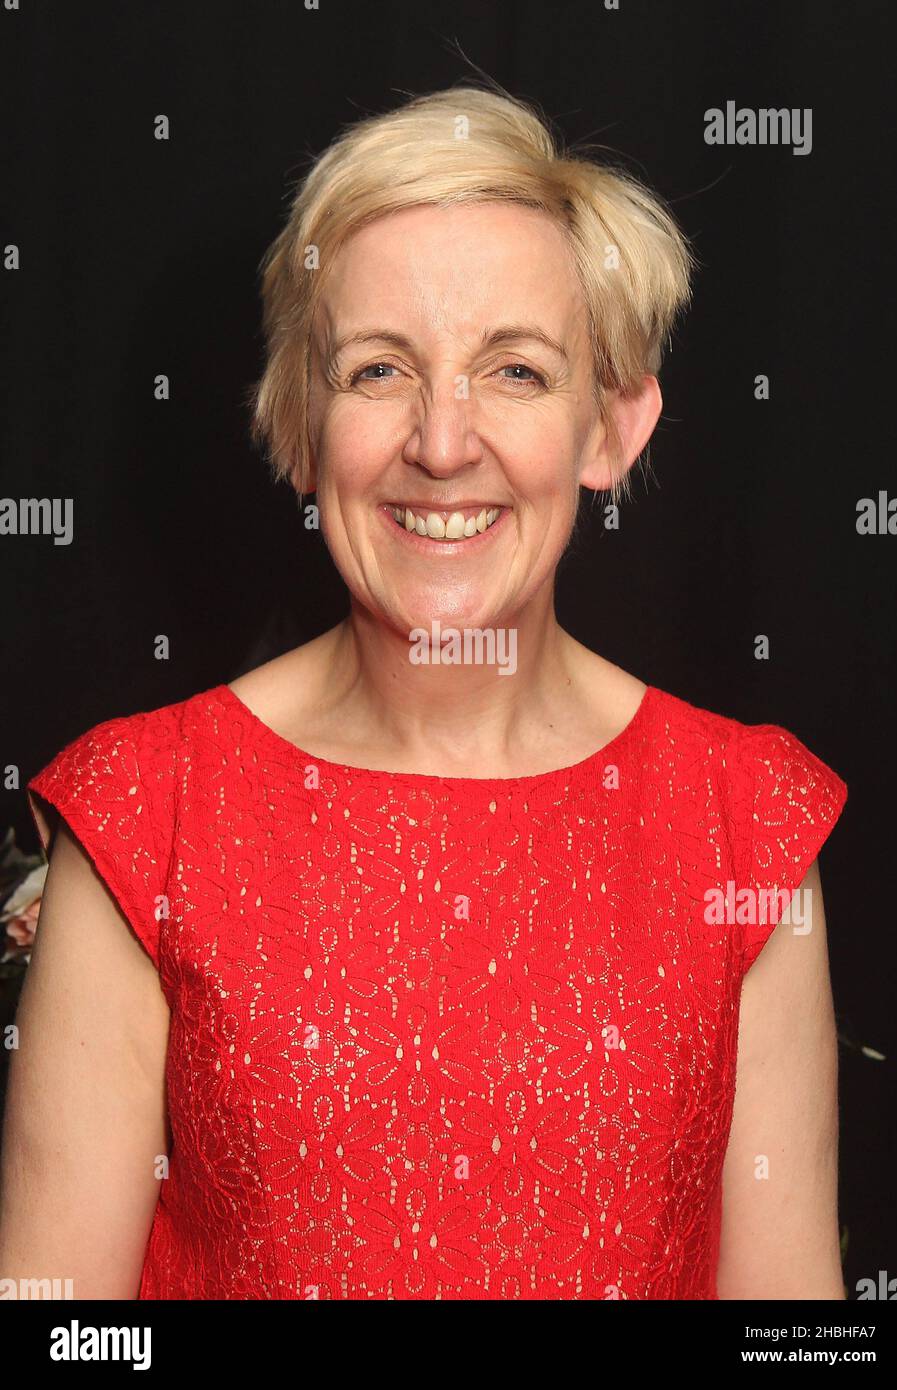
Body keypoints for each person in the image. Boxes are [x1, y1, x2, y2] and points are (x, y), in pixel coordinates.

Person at [0, 83, 847, 1300]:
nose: (441, 442)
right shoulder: (148, 814)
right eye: (379, 369)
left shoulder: (742, 821)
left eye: (513, 370)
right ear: (296, 424)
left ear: (611, 427)